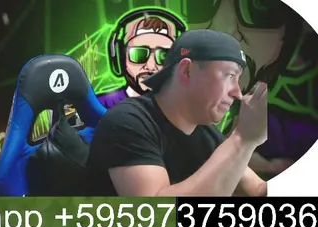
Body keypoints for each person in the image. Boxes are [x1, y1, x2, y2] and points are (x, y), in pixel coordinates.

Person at [84, 29, 270, 197]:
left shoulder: (207, 134)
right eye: (230, 76)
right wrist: (242, 140)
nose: (237, 92)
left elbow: (257, 189)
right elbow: (156, 214)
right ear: (187, 71)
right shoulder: (127, 122)